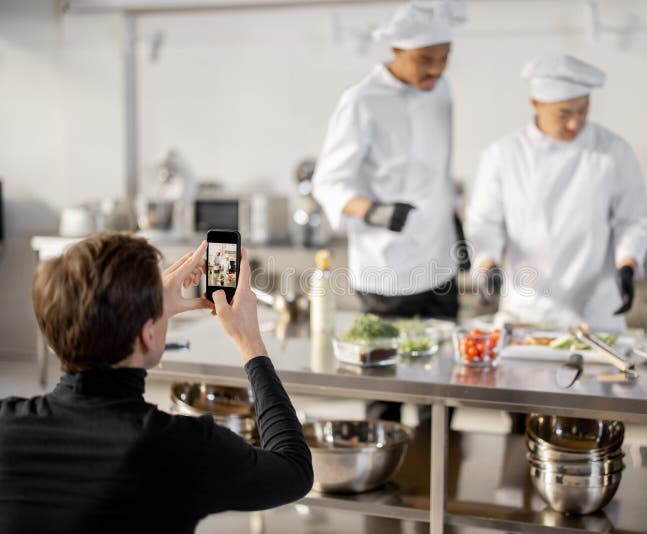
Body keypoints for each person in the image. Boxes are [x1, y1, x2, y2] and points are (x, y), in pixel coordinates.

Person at [0, 233, 313, 533]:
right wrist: (250, 342)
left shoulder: (7, 426)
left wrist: (146, 308)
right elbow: (294, 469)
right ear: (147, 335)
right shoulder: (183, 446)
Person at [312, 0, 466, 422]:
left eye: (444, 59)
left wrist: (455, 225)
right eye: (425, 60)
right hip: (386, 269)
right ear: (396, 50)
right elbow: (328, 182)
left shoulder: (442, 92)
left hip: (438, 259)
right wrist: (374, 211)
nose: (436, 70)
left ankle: (438, 474)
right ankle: (386, 474)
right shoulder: (362, 100)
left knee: (441, 385)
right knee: (387, 385)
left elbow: (435, 174)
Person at [467, 54, 647, 334]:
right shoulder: (503, 155)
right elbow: (484, 222)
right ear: (536, 104)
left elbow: (635, 218)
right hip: (527, 311)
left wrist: (628, 263)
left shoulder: (613, 151)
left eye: (583, 111)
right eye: (564, 114)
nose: (574, 124)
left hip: (596, 311)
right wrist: (487, 264)